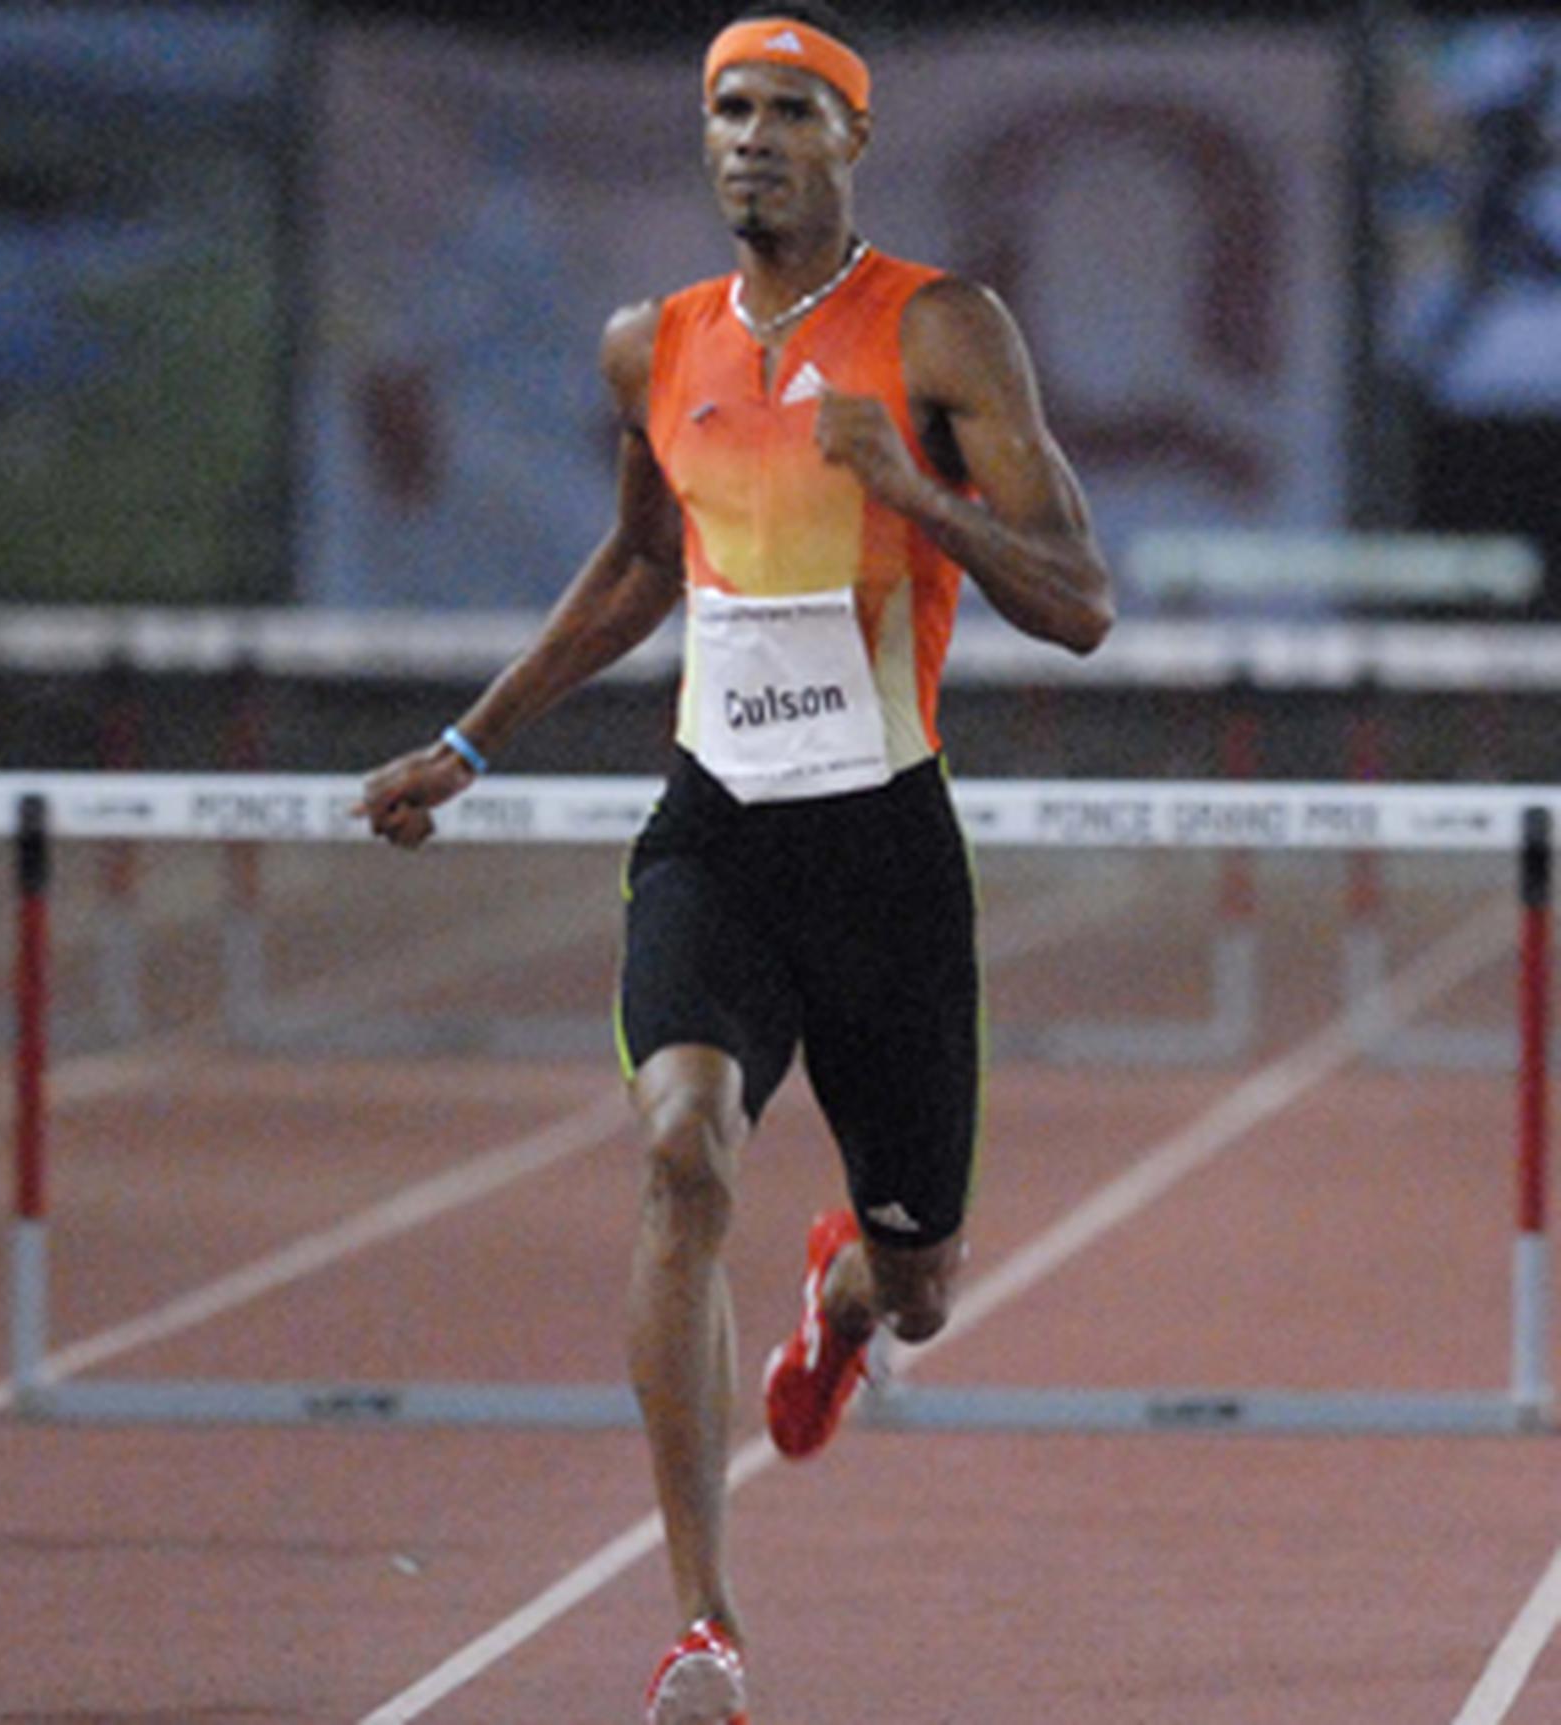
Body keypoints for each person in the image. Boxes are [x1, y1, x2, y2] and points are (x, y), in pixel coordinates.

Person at [355, 11, 1112, 1723]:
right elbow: (637, 567)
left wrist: (912, 492)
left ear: (854, 141)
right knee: (682, 1148)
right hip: (714, 834)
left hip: (883, 853)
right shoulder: (657, 344)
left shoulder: (941, 329)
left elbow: (1078, 601)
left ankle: (848, 1293)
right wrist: (468, 744)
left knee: (924, 1291)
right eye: (724, 111)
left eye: (788, 112)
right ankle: (705, 1624)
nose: (748, 139)